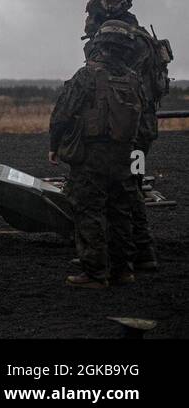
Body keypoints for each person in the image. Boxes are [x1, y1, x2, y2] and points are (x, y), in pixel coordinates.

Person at [49, 20, 148, 289]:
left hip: (91, 154)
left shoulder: (86, 75)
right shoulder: (133, 78)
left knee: (89, 211)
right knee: (120, 211)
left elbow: (62, 115)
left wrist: (54, 145)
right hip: (124, 154)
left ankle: (95, 274)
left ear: (99, 44)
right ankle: (124, 271)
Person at [81, 0, 173, 270]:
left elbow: (106, 79)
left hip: (124, 127)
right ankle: (141, 254)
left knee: (120, 190)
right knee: (130, 186)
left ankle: (130, 254)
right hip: (140, 125)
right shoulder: (143, 37)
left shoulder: (120, 40)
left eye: (93, 15)